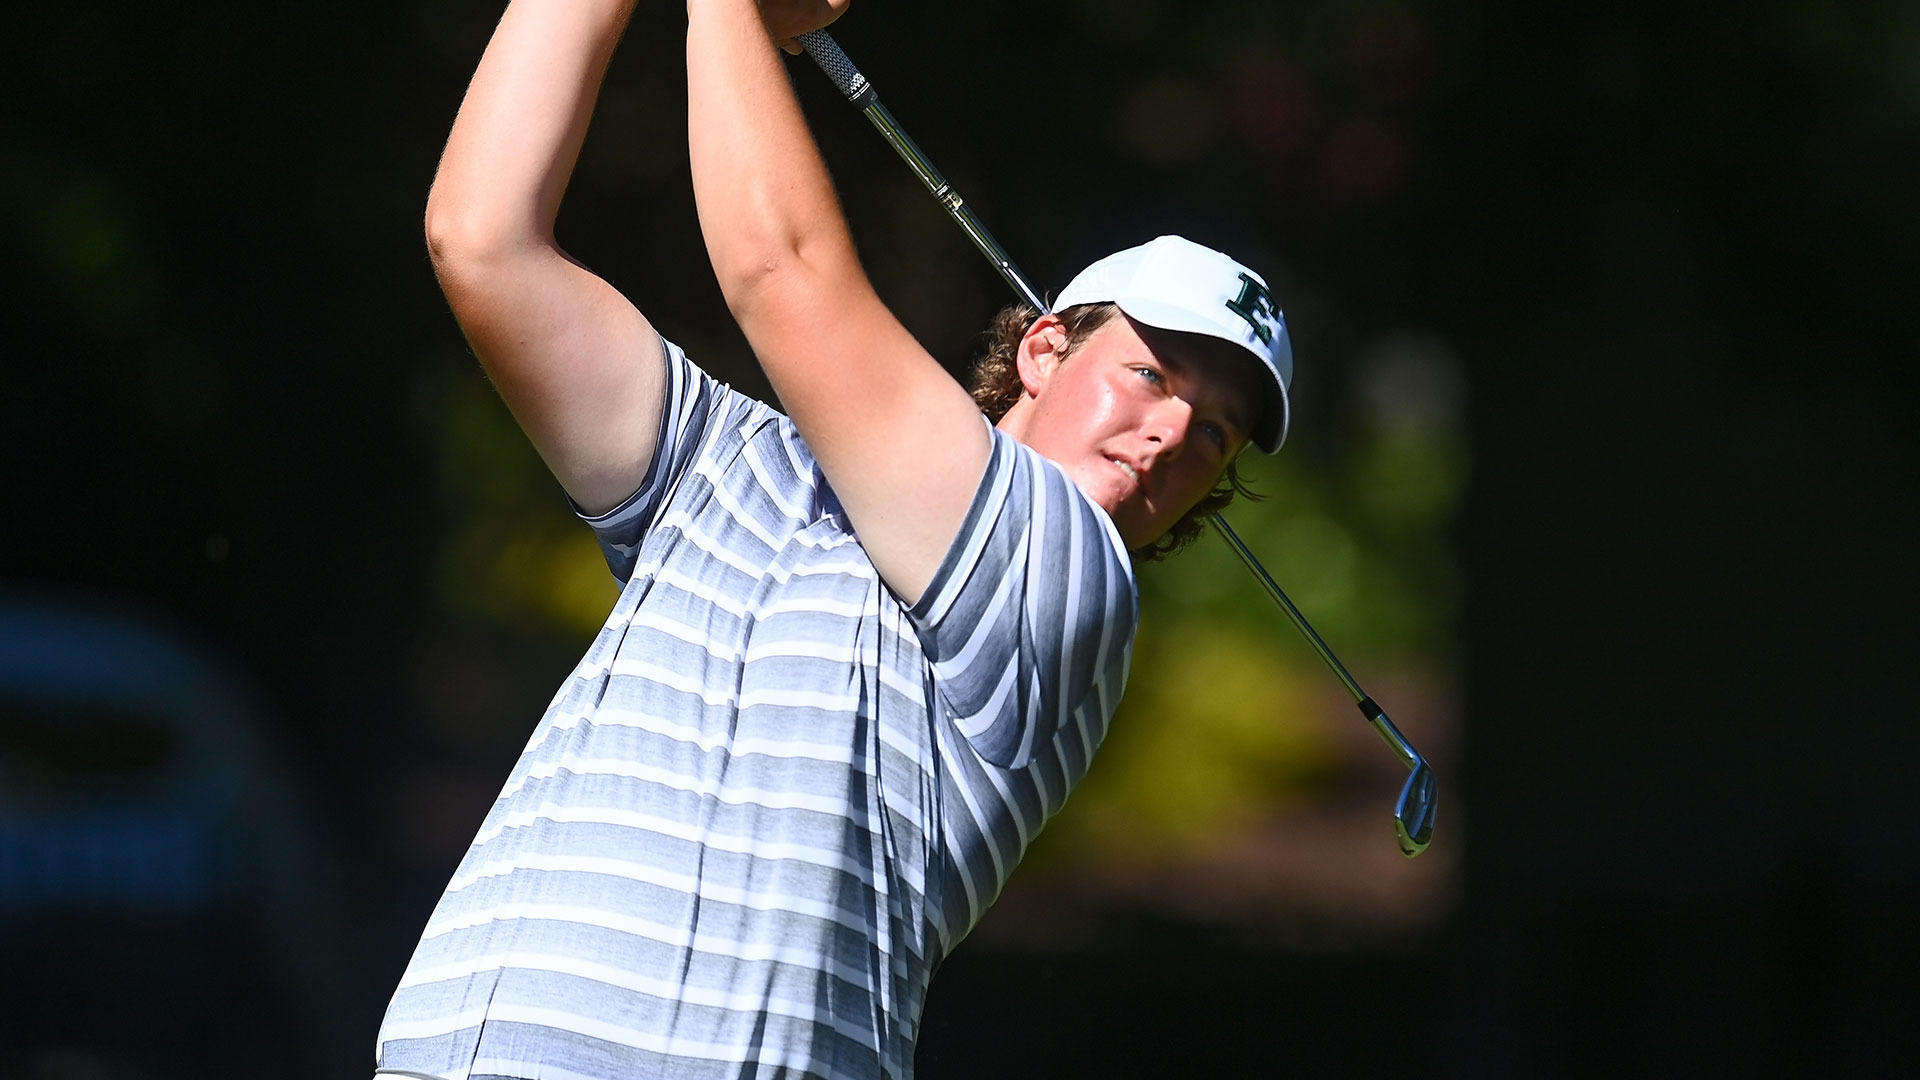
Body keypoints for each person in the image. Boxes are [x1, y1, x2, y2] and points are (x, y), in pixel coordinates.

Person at [374, 1, 1293, 1077]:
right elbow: (485, 243)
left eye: (1216, 432)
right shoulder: (734, 463)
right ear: (1045, 350)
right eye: (1152, 374)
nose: (1173, 432)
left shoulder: (1068, 580)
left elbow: (781, 275)